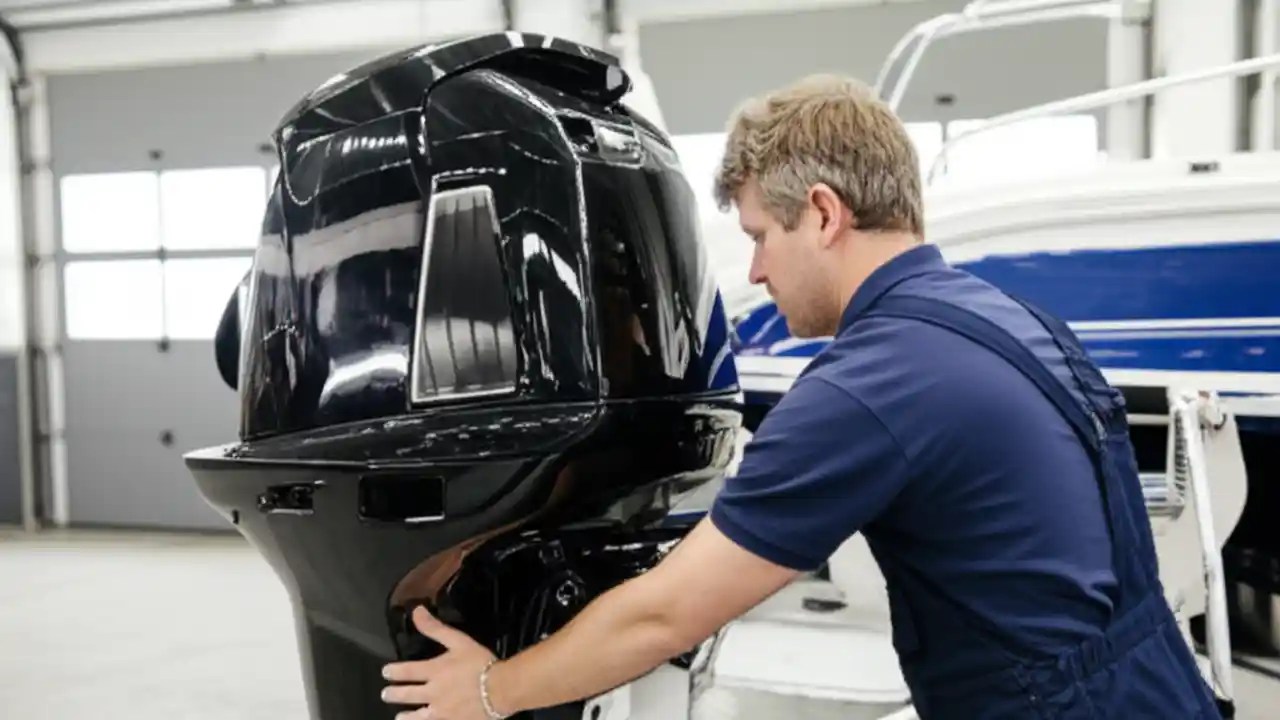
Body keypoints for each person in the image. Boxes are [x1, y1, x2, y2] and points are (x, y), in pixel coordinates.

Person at [379, 74, 1222, 720]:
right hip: (1157, 687)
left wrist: (490, 689)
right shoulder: (1013, 321)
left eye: (757, 236)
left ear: (822, 213)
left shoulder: (868, 386)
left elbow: (663, 619)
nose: (753, 271)